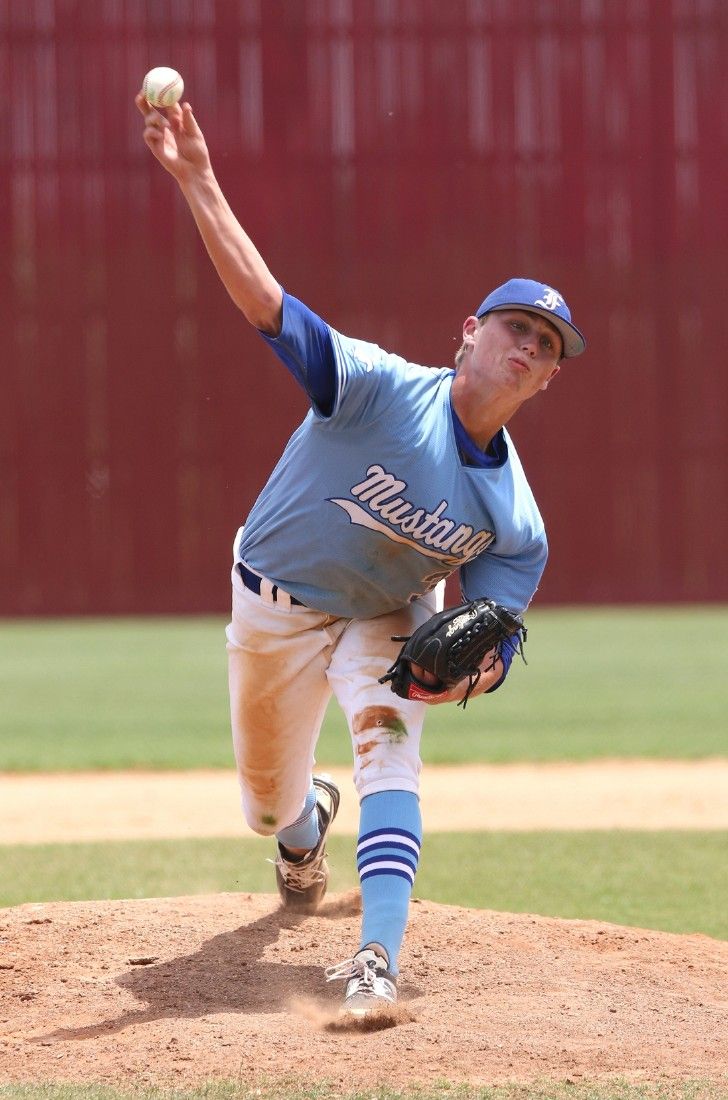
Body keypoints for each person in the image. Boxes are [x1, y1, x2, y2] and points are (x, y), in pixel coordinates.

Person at [136, 90, 586, 1019]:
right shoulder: (378, 388)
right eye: (515, 329)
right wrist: (199, 181)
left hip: (389, 612)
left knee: (390, 746)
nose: (526, 349)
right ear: (472, 331)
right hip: (276, 599)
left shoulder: (517, 521)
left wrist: (461, 679)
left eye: (544, 349)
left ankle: (375, 955)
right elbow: (270, 309)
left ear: (545, 380)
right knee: (266, 804)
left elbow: (494, 645)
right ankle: (302, 831)